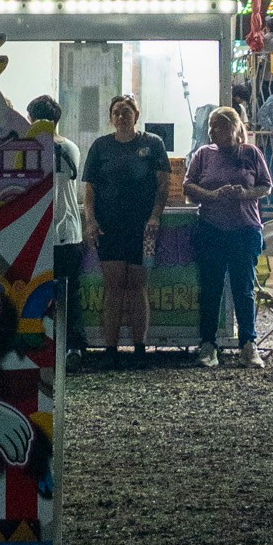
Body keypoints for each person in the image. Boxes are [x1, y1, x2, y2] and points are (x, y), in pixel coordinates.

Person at [183, 105, 273, 367]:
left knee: (243, 288)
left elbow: (266, 186)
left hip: (244, 229)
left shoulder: (250, 153)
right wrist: (211, 195)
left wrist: (244, 194)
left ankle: (248, 344)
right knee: (210, 289)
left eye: (218, 126)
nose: (212, 132)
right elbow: (188, 185)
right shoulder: (203, 155)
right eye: (210, 127)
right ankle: (208, 344)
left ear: (234, 128)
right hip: (211, 228)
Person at [83, 96, 168, 356]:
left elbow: (163, 185)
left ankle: (140, 347)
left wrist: (155, 216)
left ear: (136, 115)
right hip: (110, 226)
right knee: (114, 287)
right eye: (117, 112)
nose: (122, 116)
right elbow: (90, 189)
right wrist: (91, 221)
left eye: (126, 111)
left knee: (137, 286)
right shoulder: (100, 147)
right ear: (111, 117)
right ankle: (111, 349)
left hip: (142, 228)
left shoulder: (153, 143)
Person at [27, 97, 87, 347]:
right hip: (69, 231)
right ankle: (73, 346)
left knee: (35, 294)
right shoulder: (71, 147)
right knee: (69, 294)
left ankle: (41, 345)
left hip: (41, 232)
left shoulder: (30, 150)